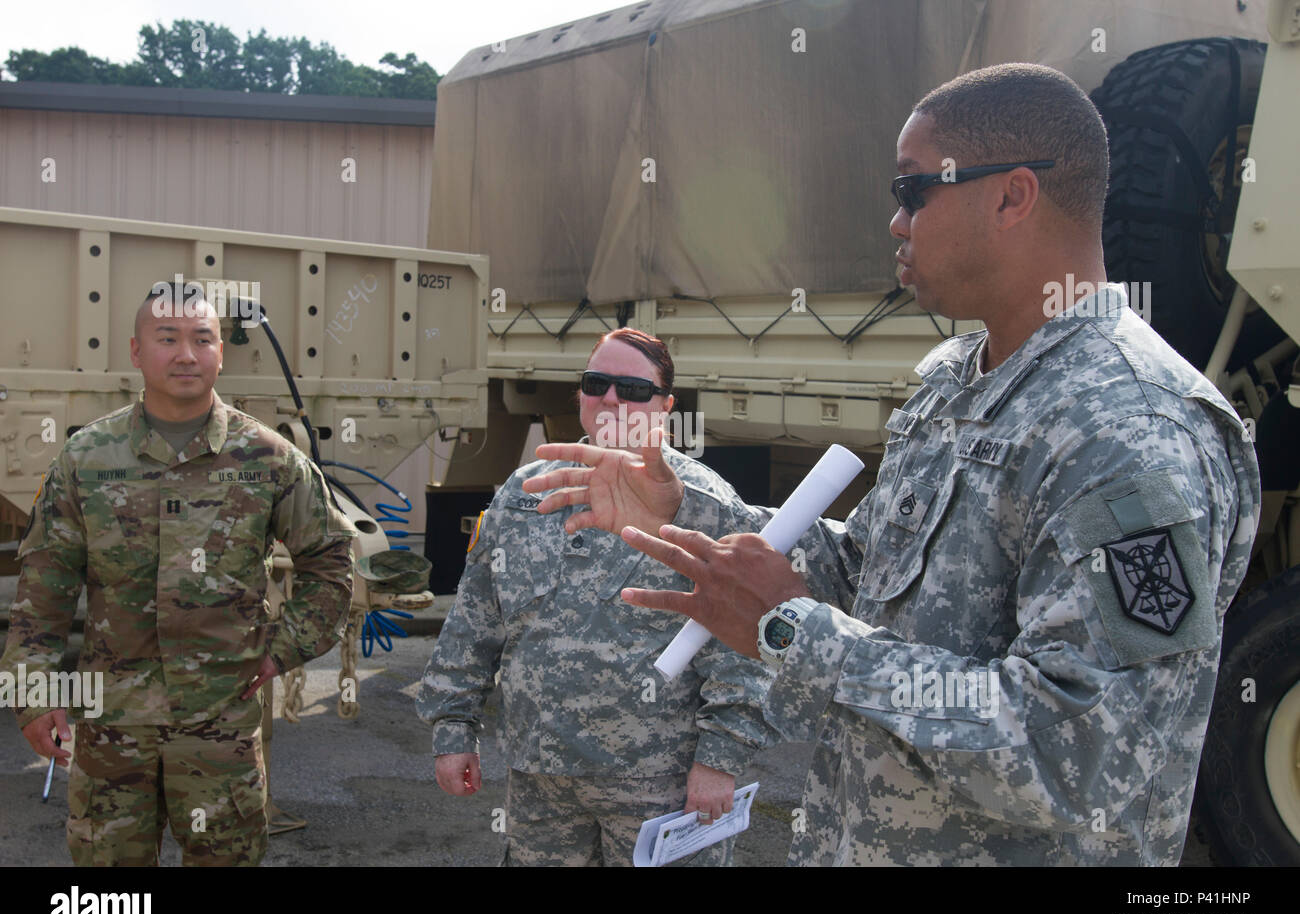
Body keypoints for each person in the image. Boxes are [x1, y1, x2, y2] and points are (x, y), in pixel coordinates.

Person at [521, 64, 1262, 865]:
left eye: (913, 192)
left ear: (1012, 196)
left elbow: (1082, 755)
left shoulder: (1130, 428)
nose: (894, 223)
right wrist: (691, 512)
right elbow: (864, 572)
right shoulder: (959, 378)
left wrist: (790, 634)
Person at [1, 281, 356, 866]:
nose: (186, 354)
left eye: (202, 339)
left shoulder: (267, 459)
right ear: (137, 351)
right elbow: (45, 589)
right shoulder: (87, 459)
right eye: (167, 339)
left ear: (221, 351)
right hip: (112, 727)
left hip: (220, 728)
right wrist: (33, 695)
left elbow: (330, 561)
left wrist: (278, 651)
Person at [416, 328, 772, 866]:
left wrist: (720, 761)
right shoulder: (521, 496)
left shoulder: (701, 506)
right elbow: (474, 622)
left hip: (658, 785)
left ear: (666, 406)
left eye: (632, 388)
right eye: (596, 382)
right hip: (541, 780)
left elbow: (741, 646)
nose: (611, 398)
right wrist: (452, 728)